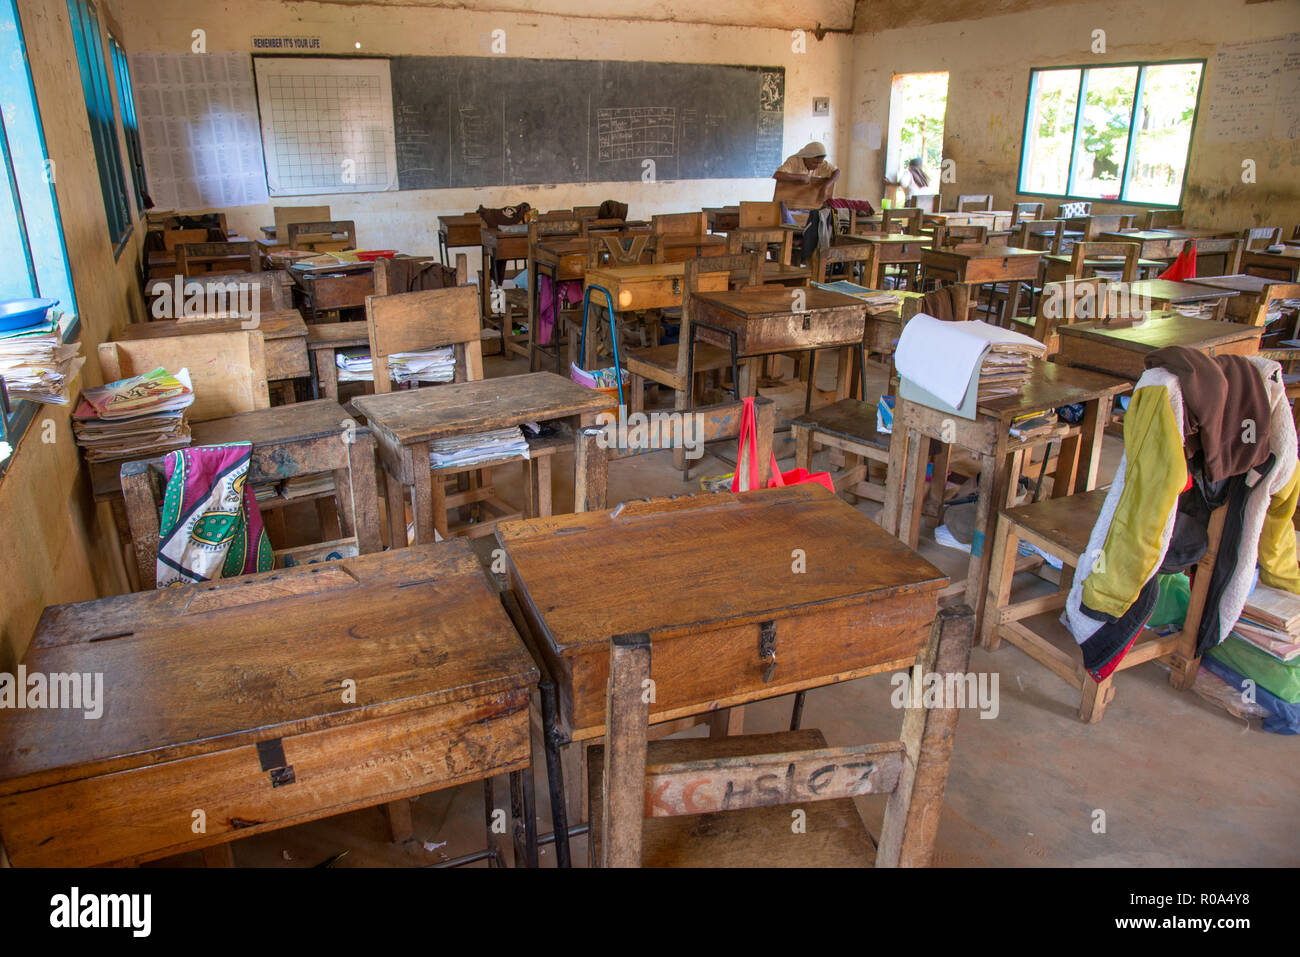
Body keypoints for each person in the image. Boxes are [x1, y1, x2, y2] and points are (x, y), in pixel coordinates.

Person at [773, 141, 840, 201]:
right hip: (789, 202)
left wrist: (825, 186)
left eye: (819, 163)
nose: (817, 166)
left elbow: (837, 172)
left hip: (808, 204)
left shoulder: (820, 163)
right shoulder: (794, 161)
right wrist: (801, 177)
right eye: (814, 163)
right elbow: (777, 175)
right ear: (806, 157)